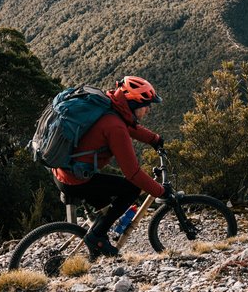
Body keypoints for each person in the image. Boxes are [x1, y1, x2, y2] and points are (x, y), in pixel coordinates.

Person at [52, 75, 167, 256]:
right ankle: (96, 237)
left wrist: (154, 139)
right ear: (134, 105)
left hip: (63, 171)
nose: (148, 110)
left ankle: (98, 234)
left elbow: (129, 126)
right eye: (146, 105)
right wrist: (160, 191)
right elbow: (133, 173)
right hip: (75, 180)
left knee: (108, 207)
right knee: (131, 189)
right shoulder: (115, 127)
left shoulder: (110, 107)